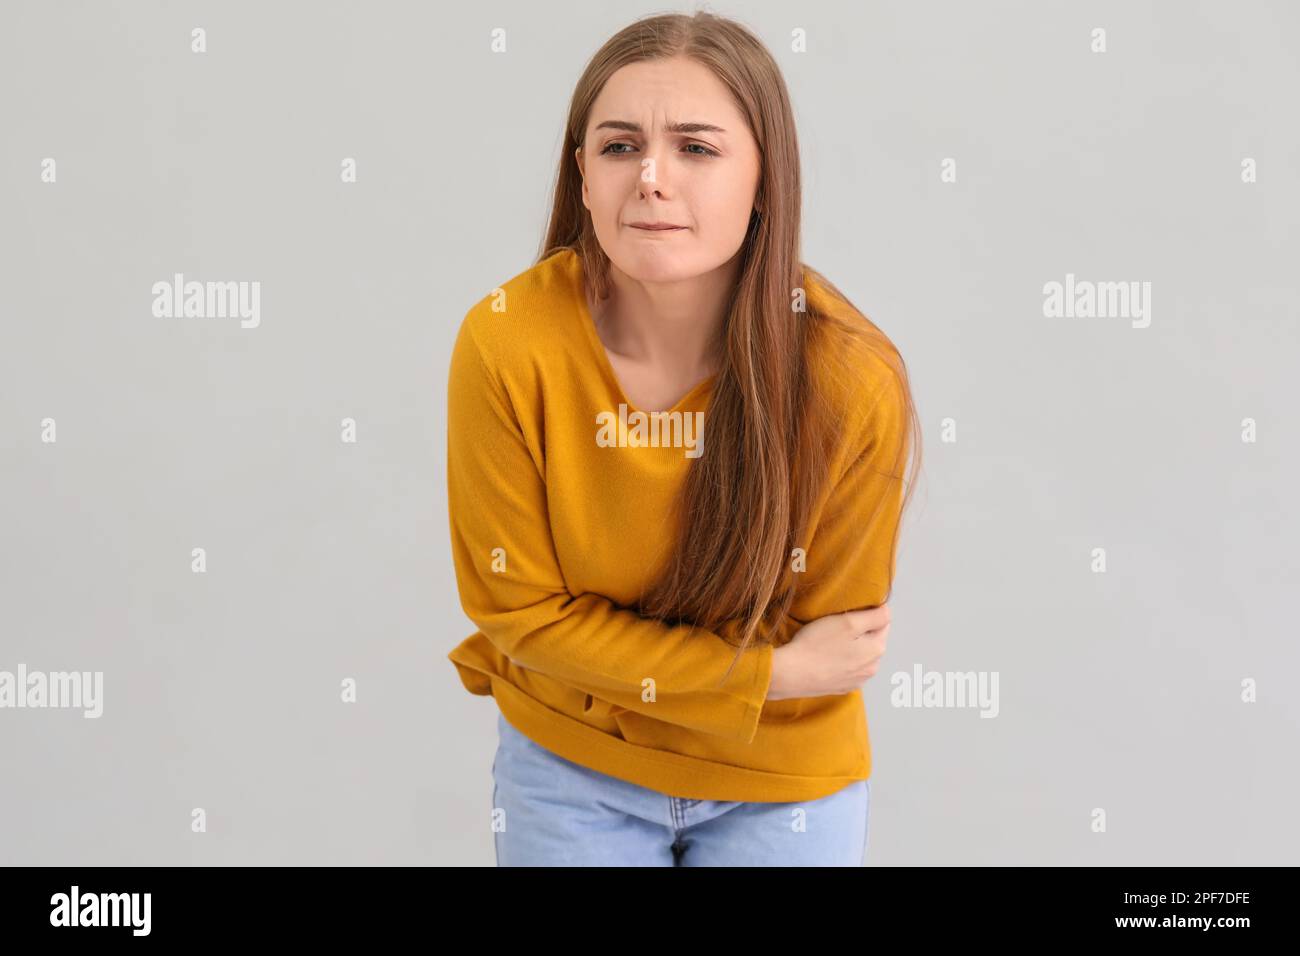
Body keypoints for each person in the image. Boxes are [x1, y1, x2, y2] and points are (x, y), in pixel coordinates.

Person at [446, 10, 920, 866]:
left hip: (781, 778)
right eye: (619, 146)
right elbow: (518, 614)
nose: (652, 178)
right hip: (570, 765)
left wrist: (605, 660)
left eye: (698, 149)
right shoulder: (508, 341)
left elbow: (836, 646)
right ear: (582, 174)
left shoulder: (853, 380)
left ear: (764, 180)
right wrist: (762, 676)